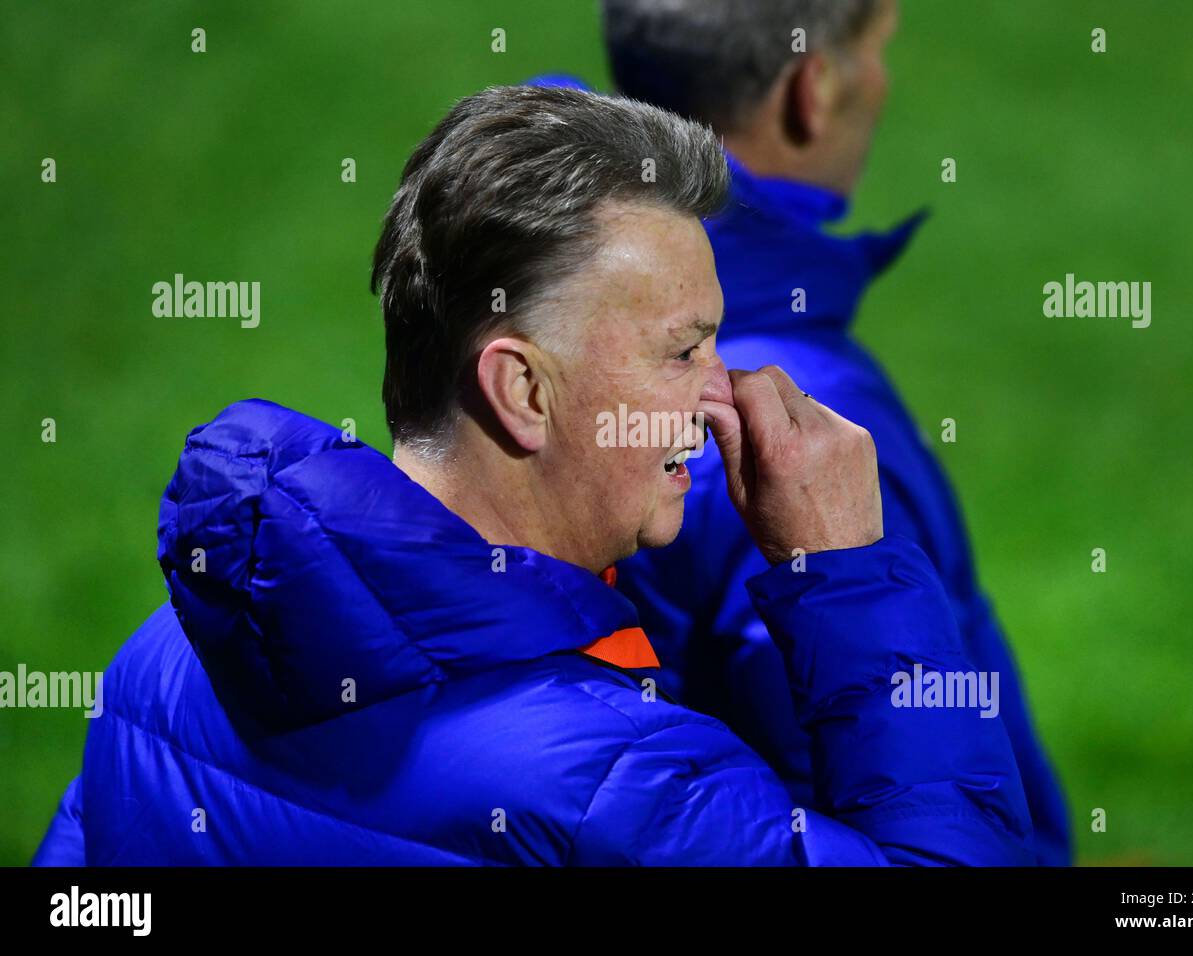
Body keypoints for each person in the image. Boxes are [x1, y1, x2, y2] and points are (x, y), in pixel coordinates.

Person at [32, 85, 1032, 865]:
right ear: (522, 391)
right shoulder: (620, 788)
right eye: (682, 351)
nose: (721, 394)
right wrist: (849, 572)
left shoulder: (167, 657)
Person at [602, 0, 1072, 864]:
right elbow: (852, 793)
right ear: (811, 89)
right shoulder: (795, 424)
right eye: (875, 49)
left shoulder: (547, 276)